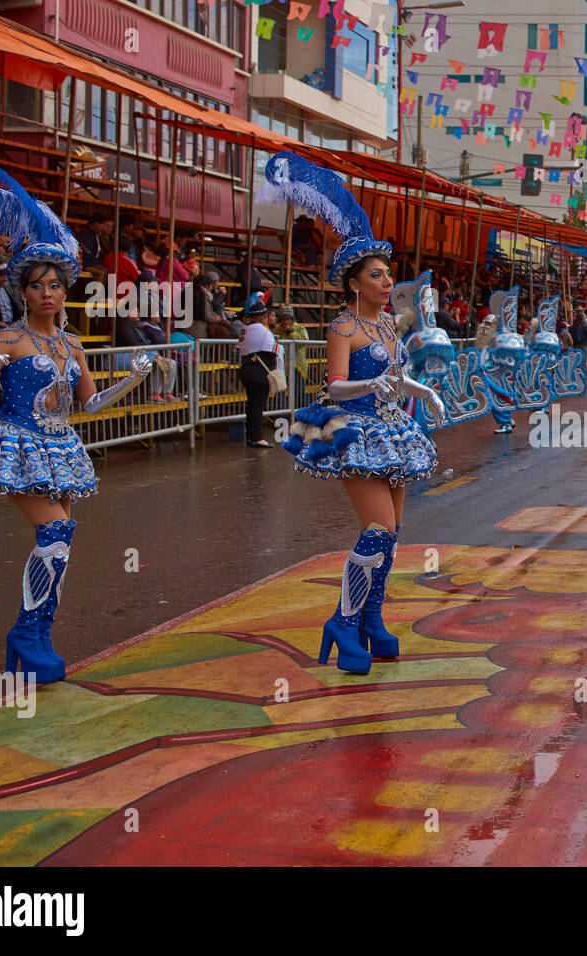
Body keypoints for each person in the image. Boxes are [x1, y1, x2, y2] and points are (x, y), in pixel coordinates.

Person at [0, 165, 152, 683]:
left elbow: (90, 405)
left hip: (59, 443)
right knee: (55, 532)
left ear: (65, 290)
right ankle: (26, 633)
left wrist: (132, 380)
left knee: (61, 537)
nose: (48, 294)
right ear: (23, 292)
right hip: (18, 442)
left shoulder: (71, 344)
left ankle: (37, 635)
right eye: (38, 286)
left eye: (56, 285)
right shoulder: (8, 340)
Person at [263, 151, 445, 675]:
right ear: (353, 282)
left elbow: (396, 377)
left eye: (390, 275)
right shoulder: (343, 328)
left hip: (394, 429)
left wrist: (423, 392)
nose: (389, 283)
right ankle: (343, 621)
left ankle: (371, 617)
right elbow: (336, 387)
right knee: (376, 532)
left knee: (391, 535)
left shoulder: (388, 327)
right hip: (357, 431)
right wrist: (377, 382)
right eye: (378, 276)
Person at [236, 292, 283, 447]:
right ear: (263, 316)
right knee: (257, 405)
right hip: (259, 372)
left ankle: (250, 435)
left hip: (247, 369)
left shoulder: (245, 329)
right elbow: (275, 349)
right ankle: (257, 437)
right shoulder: (262, 330)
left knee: (251, 405)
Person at [275, 304, 310, 401]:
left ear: (292, 319)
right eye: (283, 319)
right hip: (281, 366)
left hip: (296, 366)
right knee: (280, 392)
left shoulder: (300, 328)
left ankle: (302, 414)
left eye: (288, 319)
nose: (285, 321)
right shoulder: (277, 329)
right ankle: (281, 413)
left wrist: (291, 333)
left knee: (299, 393)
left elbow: (303, 343)